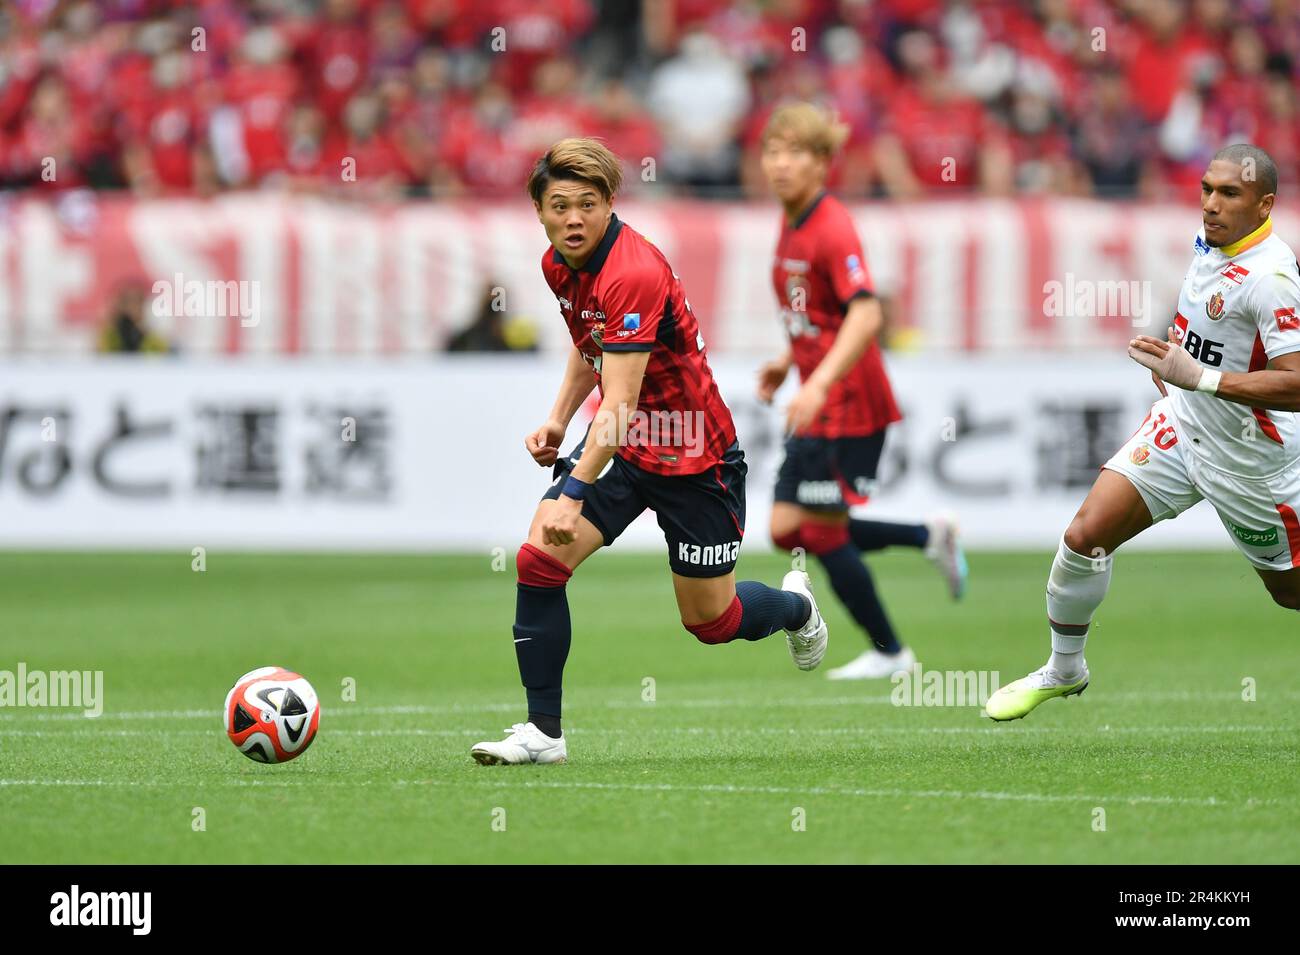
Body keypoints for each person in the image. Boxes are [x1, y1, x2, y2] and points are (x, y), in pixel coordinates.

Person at [471, 138, 828, 765]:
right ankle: (543, 733)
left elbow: (622, 403)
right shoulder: (560, 263)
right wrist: (556, 419)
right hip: (628, 449)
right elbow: (593, 354)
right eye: (559, 206)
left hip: (696, 459)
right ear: (539, 211)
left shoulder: (631, 272)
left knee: (711, 624)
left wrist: (573, 491)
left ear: (611, 203)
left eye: (587, 203)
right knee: (539, 562)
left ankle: (797, 606)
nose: (573, 218)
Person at [987, 143, 1300, 722]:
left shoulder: (1272, 278)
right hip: (1181, 430)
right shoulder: (1211, 242)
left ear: (1265, 206)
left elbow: (1297, 385)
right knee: (1085, 536)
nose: (1211, 203)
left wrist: (1200, 376)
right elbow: (1205, 322)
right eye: (1207, 188)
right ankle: (1064, 669)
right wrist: (1173, 357)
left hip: (1252, 464)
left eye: (1229, 194)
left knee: (1289, 594)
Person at [756, 103, 967, 682]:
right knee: (785, 529)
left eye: (795, 152)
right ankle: (928, 536)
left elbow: (867, 313)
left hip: (850, 405)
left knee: (821, 531)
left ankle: (891, 651)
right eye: (773, 151)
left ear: (823, 162)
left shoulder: (830, 226)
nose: (780, 164)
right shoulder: (790, 220)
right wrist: (785, 360)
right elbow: (815, 314)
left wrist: (818, 380)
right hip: (821, 398)